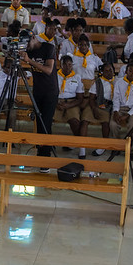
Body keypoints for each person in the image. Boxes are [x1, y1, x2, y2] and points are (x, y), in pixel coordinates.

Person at [21, 30, 58, 165]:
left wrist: (29, 60)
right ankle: (46, 145)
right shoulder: (28, 51)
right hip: (37, 90)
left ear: (34, 38)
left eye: (27, 44)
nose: (26, 48)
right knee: (40, 121)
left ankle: (44, 157)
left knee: (46, 122)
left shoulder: (49, 48)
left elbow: (48, 70)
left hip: (50, 91)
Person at [55, 55, 87, 158]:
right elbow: (49, 92)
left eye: (70, 65)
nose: (68, 67)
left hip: (72, 102)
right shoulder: (55, 76)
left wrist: (68, 105)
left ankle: (80, 145)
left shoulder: (76, 77)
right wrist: (56, 103)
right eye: (65, 64)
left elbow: (80, 98)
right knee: (46, 118)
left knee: (75, 120)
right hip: (57, 102)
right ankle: (46, 144)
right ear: (61, 65)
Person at [110, 63, 133, 139]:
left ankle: (131, 147)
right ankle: (116, 146)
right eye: (130, 71)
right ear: (126, 72)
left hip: (132, 109)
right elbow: (116, 98)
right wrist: (116, 111)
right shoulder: (119, 82)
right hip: (120, 108)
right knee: (113, 124)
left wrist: (128, 115)